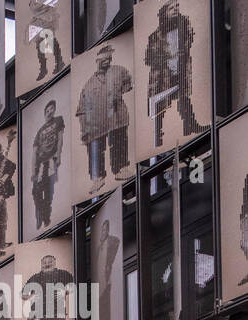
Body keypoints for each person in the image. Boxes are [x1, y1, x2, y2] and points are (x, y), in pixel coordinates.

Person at [76, 44, 133, 194]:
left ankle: (120, 168)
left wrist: (119, 93)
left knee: (119, 140)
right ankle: (97, 177)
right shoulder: (89, 85)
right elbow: (82, 109)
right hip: (97, 123)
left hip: (116, 117)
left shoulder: (119, 71)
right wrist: (84, 129)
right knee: (95, 147)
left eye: (109, 58)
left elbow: (129, 83)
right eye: (103, 59)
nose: (107, 61)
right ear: (97, 61)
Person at [144, 1, 200, 151]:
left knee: (184, 98)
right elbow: (148, 58)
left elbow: (191, 39)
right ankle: (158, 139)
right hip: (163, 76)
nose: (176, 9)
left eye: (177, 6)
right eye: (171, 8)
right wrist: (166, 56)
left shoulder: (185, 25)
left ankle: (190, 126)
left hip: (180, 70)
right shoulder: (155, 36)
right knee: (161, 107)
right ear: (164, 13)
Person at [31, 99, 66, 230]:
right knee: (36, 191)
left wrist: (58, 155)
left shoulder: (58, 121)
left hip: (51, 160)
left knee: (48, 191)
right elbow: (34, 152)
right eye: (48, 109)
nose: (50, 111)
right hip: (40, 163)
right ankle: (42, 215)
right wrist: (33, 171)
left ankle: (46, 217)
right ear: (45, 111)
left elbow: (60, 139)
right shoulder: (39, 131)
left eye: (53, 108)